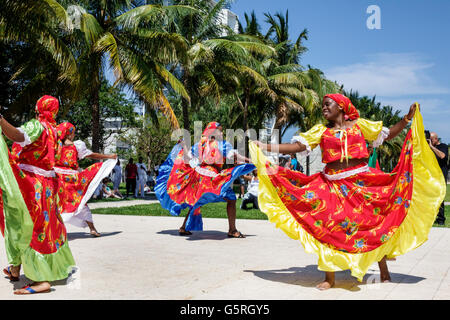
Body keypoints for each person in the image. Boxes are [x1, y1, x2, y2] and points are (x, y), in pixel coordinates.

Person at [252, 94, 445, 290]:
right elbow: (297, 146)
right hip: (332, 184)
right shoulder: (321, 131)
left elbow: (387, 134)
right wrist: (266, 146)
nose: (324, 108)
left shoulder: (360, 125)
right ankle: (330, 277)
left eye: (328, 104)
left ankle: (384, 270)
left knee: (373, 222)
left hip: (361, 182)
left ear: (341, 106)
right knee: (327, 224)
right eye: (323, 106)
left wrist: (405, 119)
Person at [0, 95, 76, 294]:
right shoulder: (54, 131)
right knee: (43, 226)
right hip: (47, 187)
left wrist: (0, 120)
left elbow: (17, 136)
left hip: (32, 185)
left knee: (26, 225)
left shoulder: (38, 126)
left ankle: (40, 280)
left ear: (38, 108)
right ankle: (15, 268)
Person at [155, 122, 255, 238]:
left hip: (200, 177)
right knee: (231, 198)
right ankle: (232, 230)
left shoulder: (201, 144)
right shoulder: (222, 145)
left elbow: (188, 157)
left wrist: (184, 145)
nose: (222, 133)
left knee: (196, 200)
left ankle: (183, 227)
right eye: (220, 130)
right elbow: (234, 156)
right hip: (211, 176)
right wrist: (251, 160)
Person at [54, 122, 117, 237]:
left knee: (55, 204)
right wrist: (108, 156)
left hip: (56, 179)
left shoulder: (55, 146)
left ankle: (53, 231)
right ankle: (92, 228)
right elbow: (92, 155)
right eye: (73, 133)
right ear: (70, 134)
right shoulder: (76, 146)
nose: (74, 135)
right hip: (72, 180)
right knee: (80, 202)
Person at [428, 132, 448, 225]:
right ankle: (431, 217)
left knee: (440, 197)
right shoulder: (429, 147)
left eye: (431, 140)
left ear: (436, 139)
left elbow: (442, 156)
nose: (430, 142)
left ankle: (441, 219)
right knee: (430, 196)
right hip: (431, 175)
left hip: (441, 175)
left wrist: (432, 147)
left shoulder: (443, 146)